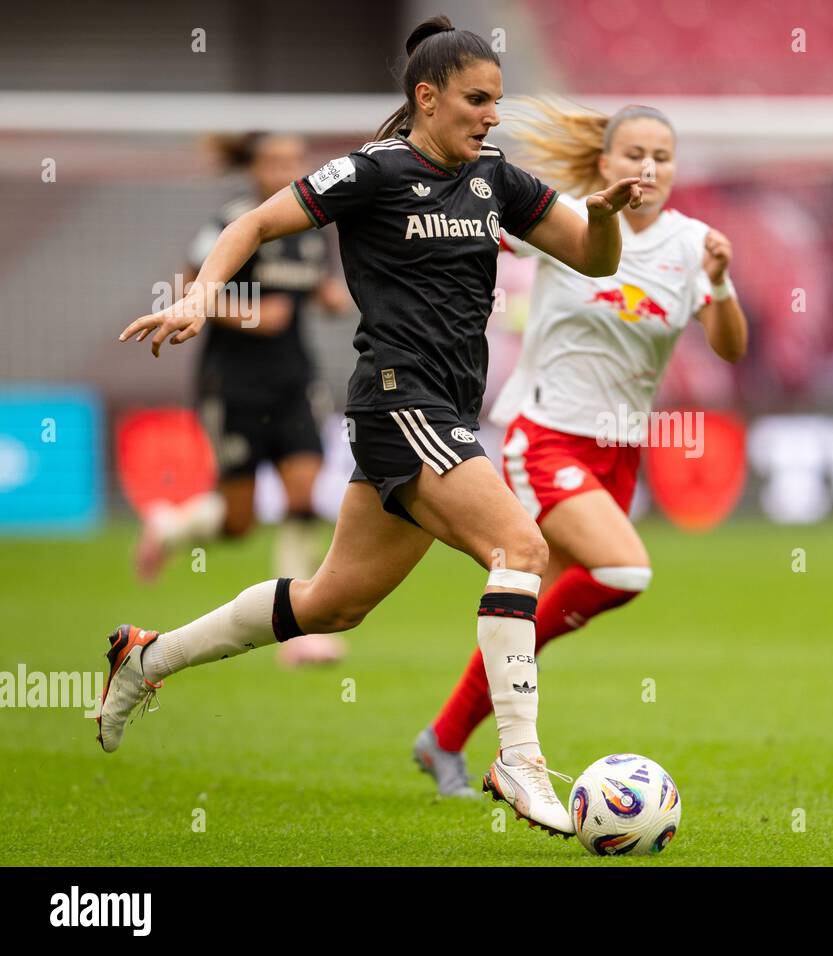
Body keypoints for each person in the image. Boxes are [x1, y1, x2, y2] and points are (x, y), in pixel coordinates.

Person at [101, 14, 644, 837]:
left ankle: (147, 656)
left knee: (331, 605)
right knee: (522, 550)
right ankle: (521, 760)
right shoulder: (372, 171)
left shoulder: (497, 179)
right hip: (401, 402)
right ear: (427, 99)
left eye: (497, 101)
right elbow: (253, 224)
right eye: (476, 100)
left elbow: (597, 258)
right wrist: (202, 293)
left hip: (444, 412)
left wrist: (602, 213)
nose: (492, 116)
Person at [413, 99, 748, 797]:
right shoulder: (567, 219)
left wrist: (718, 284)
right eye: (634, 154)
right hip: (544, 436)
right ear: (605, 163)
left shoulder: (693, 246)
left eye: (662, 156)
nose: (648, 167)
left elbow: (731, 347)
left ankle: (443, 740)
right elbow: (472, 228)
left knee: (527, 614)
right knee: (625, 571)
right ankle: (501, 753)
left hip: (618, 452)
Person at [134, 131, 352, 667]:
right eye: (273, 160)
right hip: (232, 383)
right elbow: (189, 289)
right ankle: (169, 524)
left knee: (304, 493)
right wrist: (250, 315)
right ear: (252, 168)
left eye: (292, 159)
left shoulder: (310, 226)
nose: (284, 168)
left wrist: (330, 298)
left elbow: (317, 288)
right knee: (239, 522)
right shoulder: (233, 222)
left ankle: (297, 634)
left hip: (294, 380)